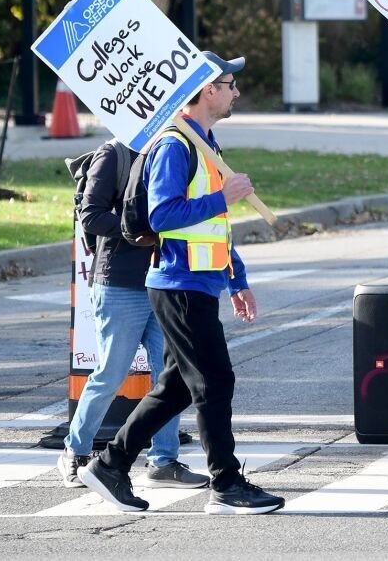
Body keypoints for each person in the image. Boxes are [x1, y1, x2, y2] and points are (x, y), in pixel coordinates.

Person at [79, 53, 285, 515]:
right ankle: (227, 485)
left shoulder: (204, 142)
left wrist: (238, 279)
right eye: (230, 84)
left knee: (176, 386)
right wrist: (221, 197)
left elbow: (216, 229)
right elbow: (162, 215)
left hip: (198, 283)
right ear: (208, 90)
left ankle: (110, 466)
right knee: (215, 380)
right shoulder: (176, 144)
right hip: (178, 284)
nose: (236, 92)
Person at [61, 138, 207, 492]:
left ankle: (163, 460)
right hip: (119, 283)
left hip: (162, 281)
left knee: (170, 377)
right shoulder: (115, 154)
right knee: (110, 373)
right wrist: (136, 231)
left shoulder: (175, 149)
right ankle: (76, 453)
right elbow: (91, 214)